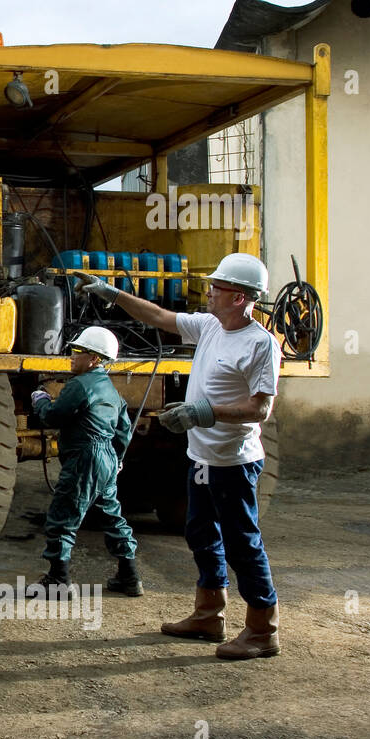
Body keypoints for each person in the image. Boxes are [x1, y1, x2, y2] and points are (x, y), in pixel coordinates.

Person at [75, 252, 281, 659]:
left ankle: (262, 630)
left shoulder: (261, 345)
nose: (209, 293)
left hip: (234, 461)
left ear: (240, 297)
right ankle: (210, 615)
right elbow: (158, 316)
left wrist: (202, 412)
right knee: (201, 535)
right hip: (203, 456)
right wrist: (113, 294)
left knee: (243, 544)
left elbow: (260, 409)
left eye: (217, 288)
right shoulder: (209, 326)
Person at [29, 326, 141, 597]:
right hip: (107, 459)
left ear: (94, 359)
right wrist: (117, 460)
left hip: (85, 458)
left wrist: (41, 400)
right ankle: (129, 577)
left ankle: (58, 578)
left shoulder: (80, 385)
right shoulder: (112, 392)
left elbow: (54, 417)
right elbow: (123, 431)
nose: (71, 355)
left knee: (63, 516)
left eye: (77, 351)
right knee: (112, 516)